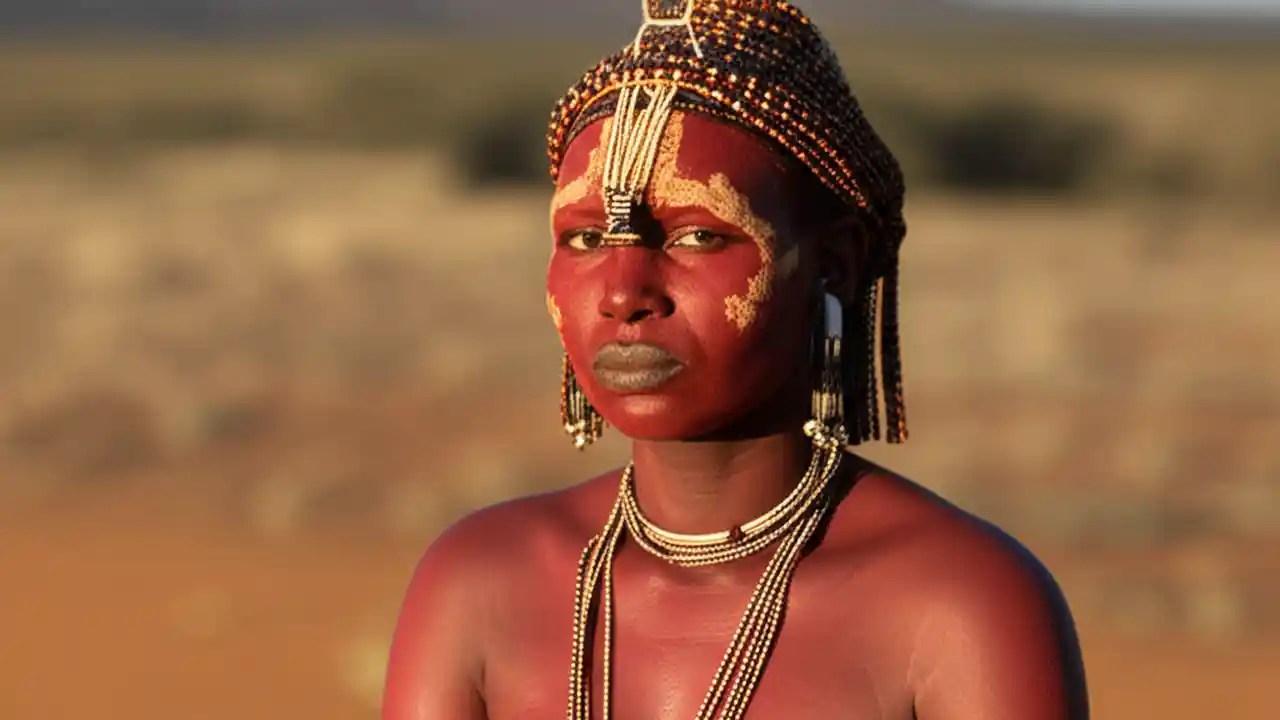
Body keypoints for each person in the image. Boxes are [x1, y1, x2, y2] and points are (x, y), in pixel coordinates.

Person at [383, 1, 1089, 718]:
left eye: (696, 237)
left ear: (834, 264)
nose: (624, 293)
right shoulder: (478, 583)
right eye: (587, 240)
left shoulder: (960, 605)